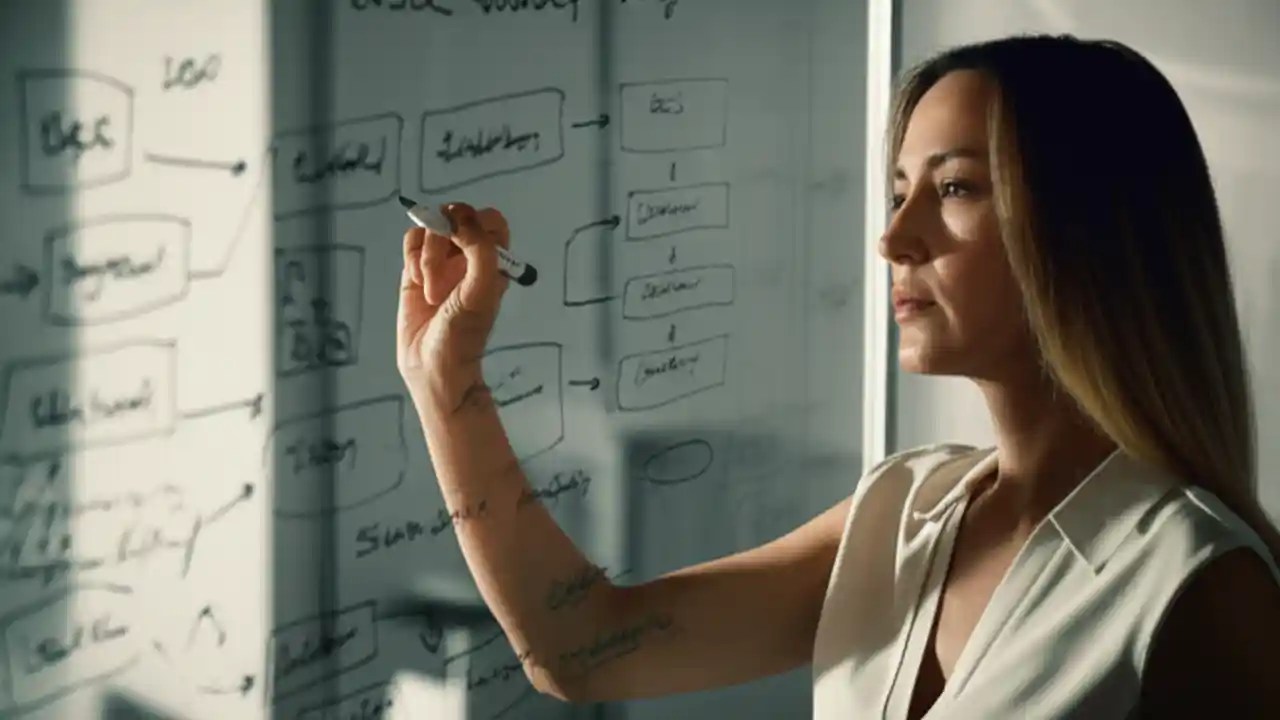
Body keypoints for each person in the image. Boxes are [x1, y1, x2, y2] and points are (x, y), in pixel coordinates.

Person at [395, 33, 1280, 718]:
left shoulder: (1198, 584)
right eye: (899, 191)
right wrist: (447, 382)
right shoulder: (898, 511)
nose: (894, 239)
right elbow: (582, 650)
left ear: (1092, 231)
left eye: (956, 188)